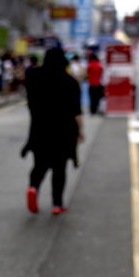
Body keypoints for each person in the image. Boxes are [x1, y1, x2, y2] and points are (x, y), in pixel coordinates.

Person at [22, 47, 83, 215]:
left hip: (39, 129)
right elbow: (76, 112)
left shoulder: (34, 77)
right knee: (59, 169)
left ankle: (33, 187)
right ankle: (57, 204)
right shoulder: (70, 82)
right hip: (63, 131)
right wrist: (80, 131)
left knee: (39, 164)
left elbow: (29, 98)